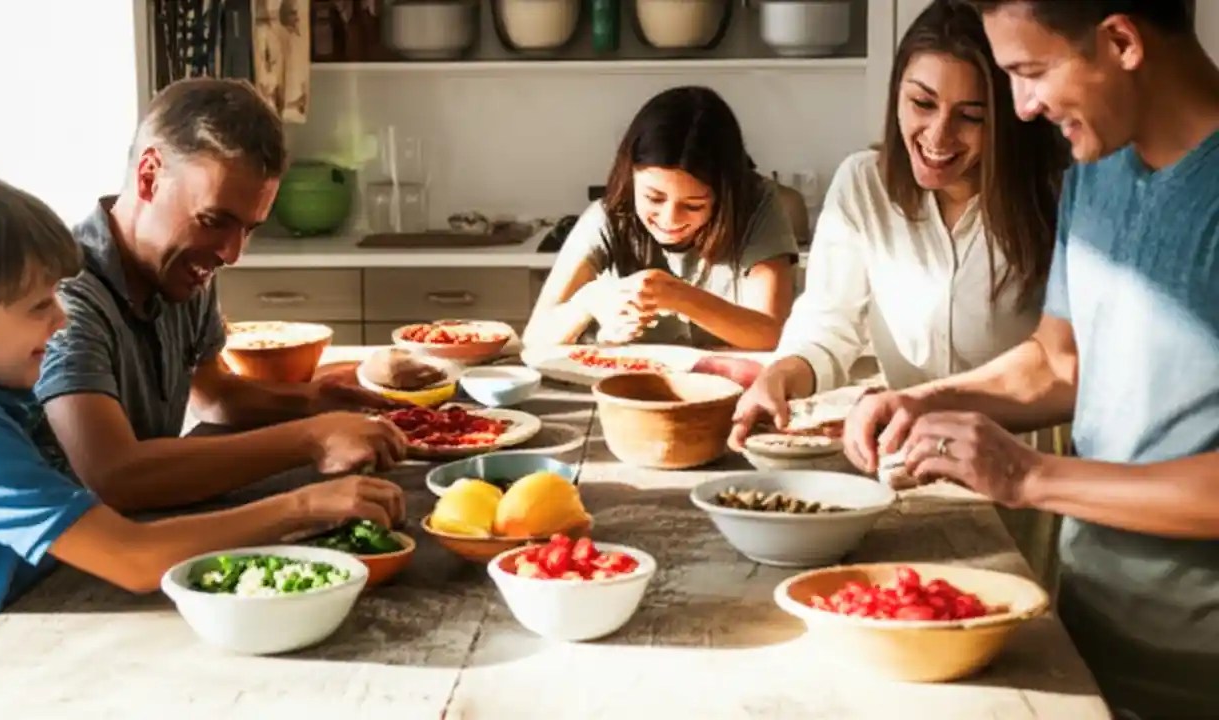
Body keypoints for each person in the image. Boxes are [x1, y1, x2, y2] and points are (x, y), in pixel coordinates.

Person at [845, 1, 1219, 715]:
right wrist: (927, 401)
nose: (1021, 108)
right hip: (1083, 636)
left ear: (1120, 41)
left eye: (1031, 72)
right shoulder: (1097, 167)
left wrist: (1029, 475)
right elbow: (1059, 360)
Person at [0, 167, 406, 661]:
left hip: (43, 613)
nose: (62, 317)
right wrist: (305, 506)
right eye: (38, 306)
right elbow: (132, 557)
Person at [33, 77, 407, 513]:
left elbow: (215, 396)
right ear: (149, 176)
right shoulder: (63, 300)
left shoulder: (180, 269)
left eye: (248, 229)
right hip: (58, 571)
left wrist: (313, 400)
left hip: (149, 534)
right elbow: (115, 476)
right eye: (214, 221)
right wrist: (311, 439)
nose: (232, 254)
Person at [731, 0, 1066, 445]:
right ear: (896, 96)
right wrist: (782, 375)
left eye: (970, 116)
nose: (938, 134)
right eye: (922, 103)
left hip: (1019, 463)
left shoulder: (1055, 194)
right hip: (903, 453)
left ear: (1007, 118)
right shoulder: (864, 183)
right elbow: (828, 323)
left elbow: (1060, 362)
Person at [522, 86, 802, 351]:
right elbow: (535, 337)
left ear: (725, 193)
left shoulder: (755, 205)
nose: (670, 220)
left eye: (693, 205)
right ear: (630, 177)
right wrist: (588, 302)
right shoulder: (610, 215)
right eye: (653, 199)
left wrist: (679, 296)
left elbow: (772, 332)